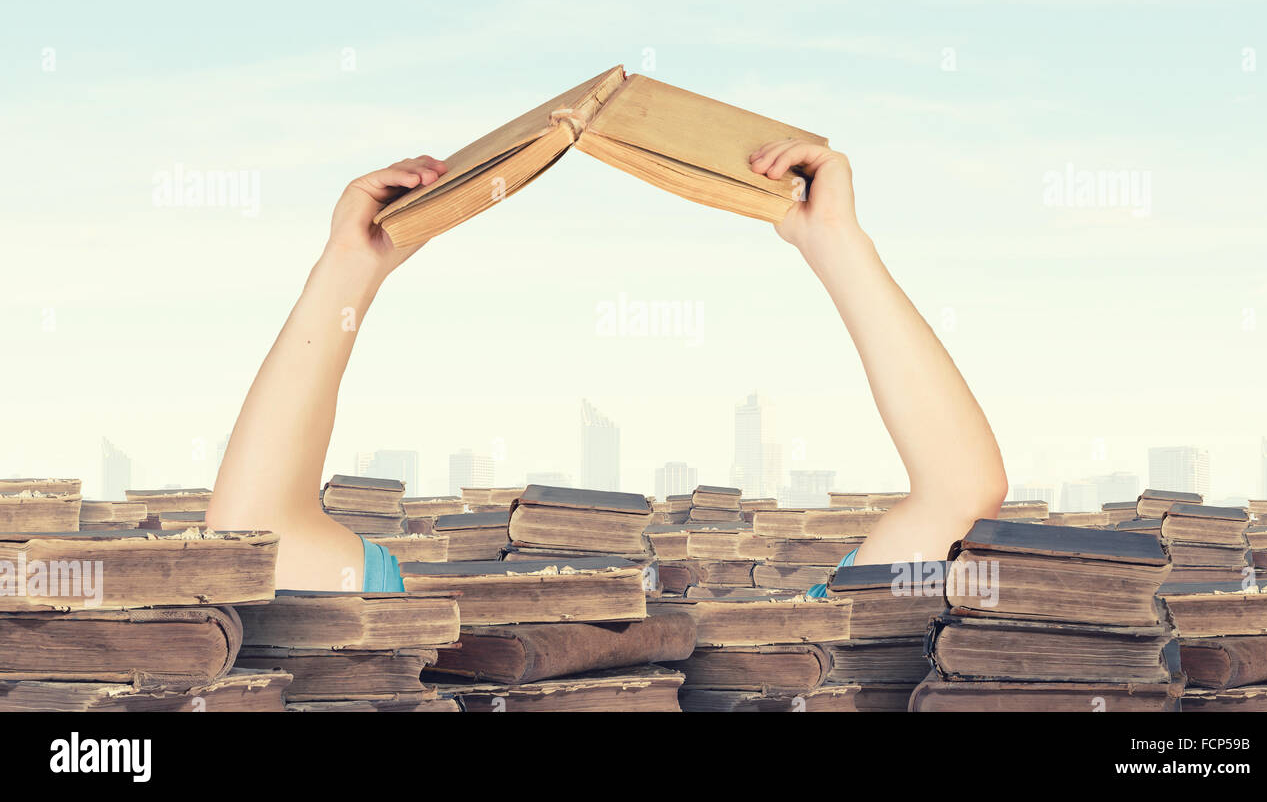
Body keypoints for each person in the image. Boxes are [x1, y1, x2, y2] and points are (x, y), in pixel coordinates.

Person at [207, 141, 1007, 592]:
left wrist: (836, 241)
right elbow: (253, 537)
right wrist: (349, 268)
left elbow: (961, 493)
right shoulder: (437, 642)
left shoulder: (792, 650)